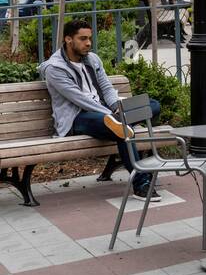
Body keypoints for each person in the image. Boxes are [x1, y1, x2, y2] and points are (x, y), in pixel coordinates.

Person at [42, 19, 162, 201]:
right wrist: (110, 114)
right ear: (68, 39)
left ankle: (119, 122)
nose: (88, 43)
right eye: (83, 39)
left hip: (106, 113)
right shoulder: (55, 69)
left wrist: (116, 108)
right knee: (122, 130)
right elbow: (80, 100)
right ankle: (141, 184)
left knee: (152, 105)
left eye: (89, 38)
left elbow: (106, 88)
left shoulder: (92, 59)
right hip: (78, 118)